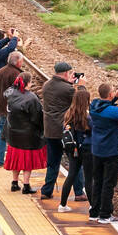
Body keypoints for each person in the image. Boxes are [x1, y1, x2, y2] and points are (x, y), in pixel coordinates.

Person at [87, 84, 118, 223]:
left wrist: (115, 97)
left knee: (97, 181)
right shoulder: (112, 111)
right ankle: (105, 215)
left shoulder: (94, 105)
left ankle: (94, 212)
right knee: (108, 183)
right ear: (109, 95)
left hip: (97, 149)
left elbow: (105, 105)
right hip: (110, 151)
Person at [39, 62, 87, 202]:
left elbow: (61, 96)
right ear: (66, 73)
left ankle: (47, 191)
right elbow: (81, 102)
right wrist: (81, 85)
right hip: (66, 132)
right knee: (75, 162)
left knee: (53, 162)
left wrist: (71, 84)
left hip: (50, 130)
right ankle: (79, 192)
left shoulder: (47, 85)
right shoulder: (68, 89)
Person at [4, 74, 47, 194]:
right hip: (28, 136)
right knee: (27, 162)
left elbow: (5, 93)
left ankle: (14, 183)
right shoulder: (31, 98)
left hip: (13, 133)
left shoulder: (11, 93)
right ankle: (26, 185)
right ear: (29, 82)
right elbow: (37, 118)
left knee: (16, 160)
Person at [57, 86, 94, 212]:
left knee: (71, 175)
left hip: (72, 150)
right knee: (89, 178)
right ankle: (93, 206)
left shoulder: (69, 114)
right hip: (86, 150)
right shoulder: (87, 117)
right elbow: (93, 131)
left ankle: (62, 205)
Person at [0, 50, 26, 168]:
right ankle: (14, 161)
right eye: (21, 61)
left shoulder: (0, 71)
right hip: (13, 109)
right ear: (17, 62)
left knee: (2, 133)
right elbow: (21, 93)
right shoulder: (17, 75)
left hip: (1, 107)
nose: (22, 63)